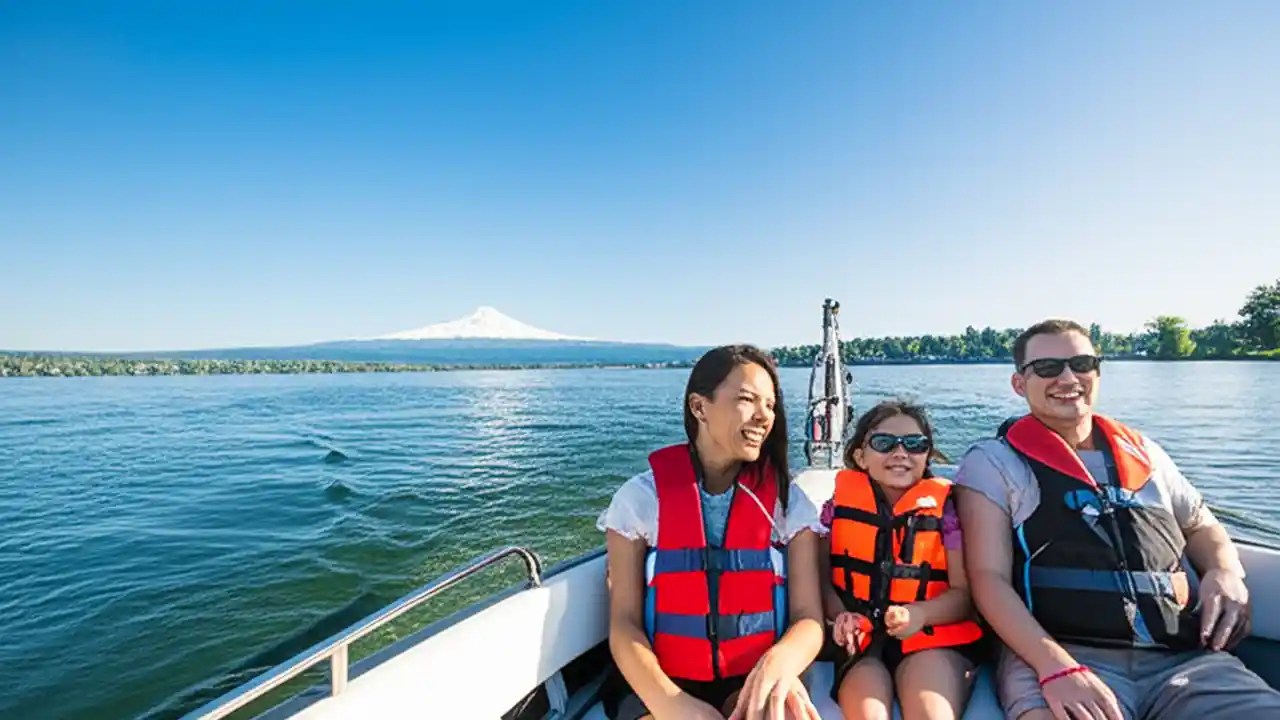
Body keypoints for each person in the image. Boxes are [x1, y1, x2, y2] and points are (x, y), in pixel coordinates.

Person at [955, 318, 1280, 720]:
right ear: (1019, 384)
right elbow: (988, 578)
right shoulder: (993, 463)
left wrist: (1225, 571)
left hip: (1186, 660)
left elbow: (1201, 525)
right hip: (1062, 654)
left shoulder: (1145, 451)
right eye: (1047, 367)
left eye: (1082, 363)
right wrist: (1056, 666)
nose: (1068, 376)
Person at [598, 344, 826, 720]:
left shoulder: (789, 503)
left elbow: (808, 617)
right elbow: (624, 623)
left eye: (770, 405)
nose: (763, 416)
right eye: (747, 399)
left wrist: (778, 662)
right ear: (699, 407)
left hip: (754, 673)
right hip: (659, 679)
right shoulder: (641, 500)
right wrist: (674, 705)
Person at [818, 400, 985, 720]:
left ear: (927, 455)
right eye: (884, 443)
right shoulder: (836, 510)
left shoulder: (947, 513)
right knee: (868, 712)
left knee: (931, 713)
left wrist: (918, 614)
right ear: (860, 457)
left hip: (932, 638)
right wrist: (842, 616)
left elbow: (964, 597)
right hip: (862, 639)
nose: (900, 453)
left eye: (914, 445)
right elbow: (822, 578)